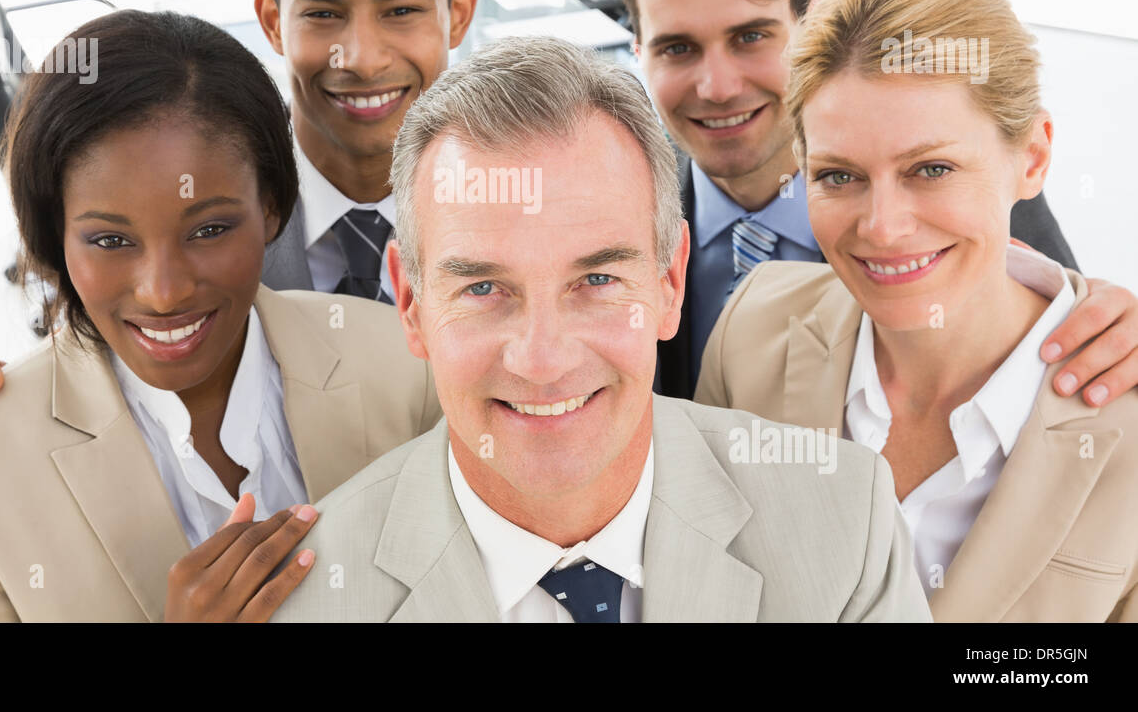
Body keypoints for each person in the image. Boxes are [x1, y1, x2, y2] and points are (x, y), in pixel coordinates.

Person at [182, 36, 931, 622]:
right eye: (482, 287)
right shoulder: (302, 607)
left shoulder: (844, 520)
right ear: (409, 302)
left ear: (669, 283)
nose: (542, 360)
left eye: (597, 280)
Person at [0, 0, 477, 441]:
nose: (362, 58)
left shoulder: (521, 196)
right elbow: (83, 389)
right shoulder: (180, 202)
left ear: (458, 14)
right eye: (323, 15)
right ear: (273, 21)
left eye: (401, 11)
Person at [0, 11, 438, 621]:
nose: (163, 292)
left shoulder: (410, 372)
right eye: (110, 240)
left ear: (271, 207)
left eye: (209, 229)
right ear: (55, 235)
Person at [696, 0, 1138, 621]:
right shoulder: (752, 327)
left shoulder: (1123, 414)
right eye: (840, 176)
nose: (883, 228)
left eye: (930, 169)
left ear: (1034, 158)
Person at [608, 0, 1138, 404]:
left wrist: (1112, 319)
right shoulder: (624, 191)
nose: (717, 88)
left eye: (751, 37)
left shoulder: (976, 182)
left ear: (813, 20)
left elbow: (1071, 326)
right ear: (638, 50)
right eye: (677, 48)